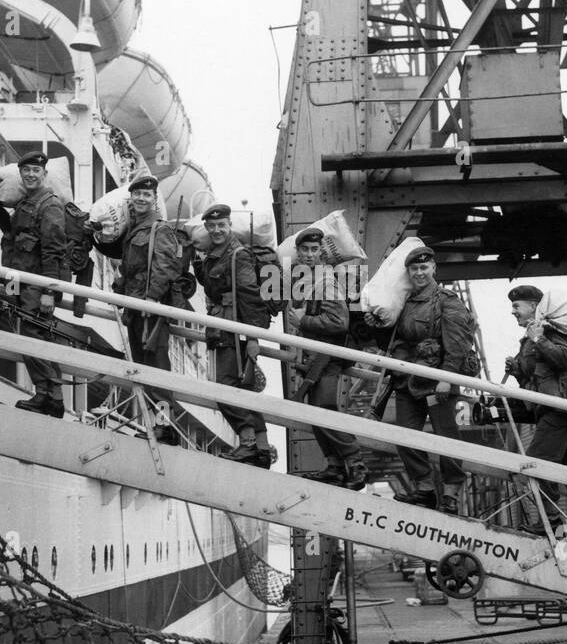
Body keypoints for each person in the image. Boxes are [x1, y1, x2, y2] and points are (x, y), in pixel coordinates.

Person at [96, 174, 190, 443]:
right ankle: (156, 425)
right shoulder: (133, 231)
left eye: (146, 195)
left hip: (151, 312)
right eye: (137, 194)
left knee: (156, 369)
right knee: (142, 369)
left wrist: (152, 298)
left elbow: (166, 266)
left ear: (153, 200)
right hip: (134, 310)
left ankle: (165, 427)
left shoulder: (159, 230)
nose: (140, 198)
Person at [505, 284, 567, 528]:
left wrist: (538, 338)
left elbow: (564, 359)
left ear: (533, 306)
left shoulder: (549, 330)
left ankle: (551, 520)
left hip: (558, 408)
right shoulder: (530, 335)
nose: (513, 312)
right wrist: (517, 370)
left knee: (536, 465)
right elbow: (538, 376)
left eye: (517, 306)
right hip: (554, 408)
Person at [388, 246, 473, 514]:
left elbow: (458, 342)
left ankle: (450, 494)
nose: (419, 273)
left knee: (446, 436)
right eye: (414, 269)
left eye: (424, 268)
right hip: (408, 379)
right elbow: (395, 337)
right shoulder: (403, 302)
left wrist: (446, 377)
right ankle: (424, 489)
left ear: (433, 268)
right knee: (404, 434)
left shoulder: (447, 301)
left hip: (437, 381)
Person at [194, 203, 273, 466]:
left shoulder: (237, 254)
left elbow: (250, 296)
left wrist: (252, 339)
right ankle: (261, 448)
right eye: (212, 226)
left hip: (234, 330)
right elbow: (211, 285)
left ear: (229, 226)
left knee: (225, 389)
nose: (217, 230)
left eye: (221, 225)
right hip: (223, 328)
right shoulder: (213, 253)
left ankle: (249, 443)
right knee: (244, 390)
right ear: (206, 228)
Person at [288, 227, 367, 489]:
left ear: (321, 252)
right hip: (313, 358)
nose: (310, 255)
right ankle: (334, 466)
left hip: (326, 357)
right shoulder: (303, 279)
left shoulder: (326, 281)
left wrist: (304, 320)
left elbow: (339, 322)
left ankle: (354, 460)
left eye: (314, 250)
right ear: (298, 253)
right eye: (305, 250)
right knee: (316, 413)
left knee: (324, 410)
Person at [1, 152, 67, 417]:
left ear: (44, 175)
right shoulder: (25, 202)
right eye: (25, 170)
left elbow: (54, 251)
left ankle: (49, 396)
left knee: (35, 337)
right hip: (21, 280)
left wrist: (49, 291)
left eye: (35, 171)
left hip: (38, 285)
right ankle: (50, 397)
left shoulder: (49, 205)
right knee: (34, 336)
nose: (30, 175)